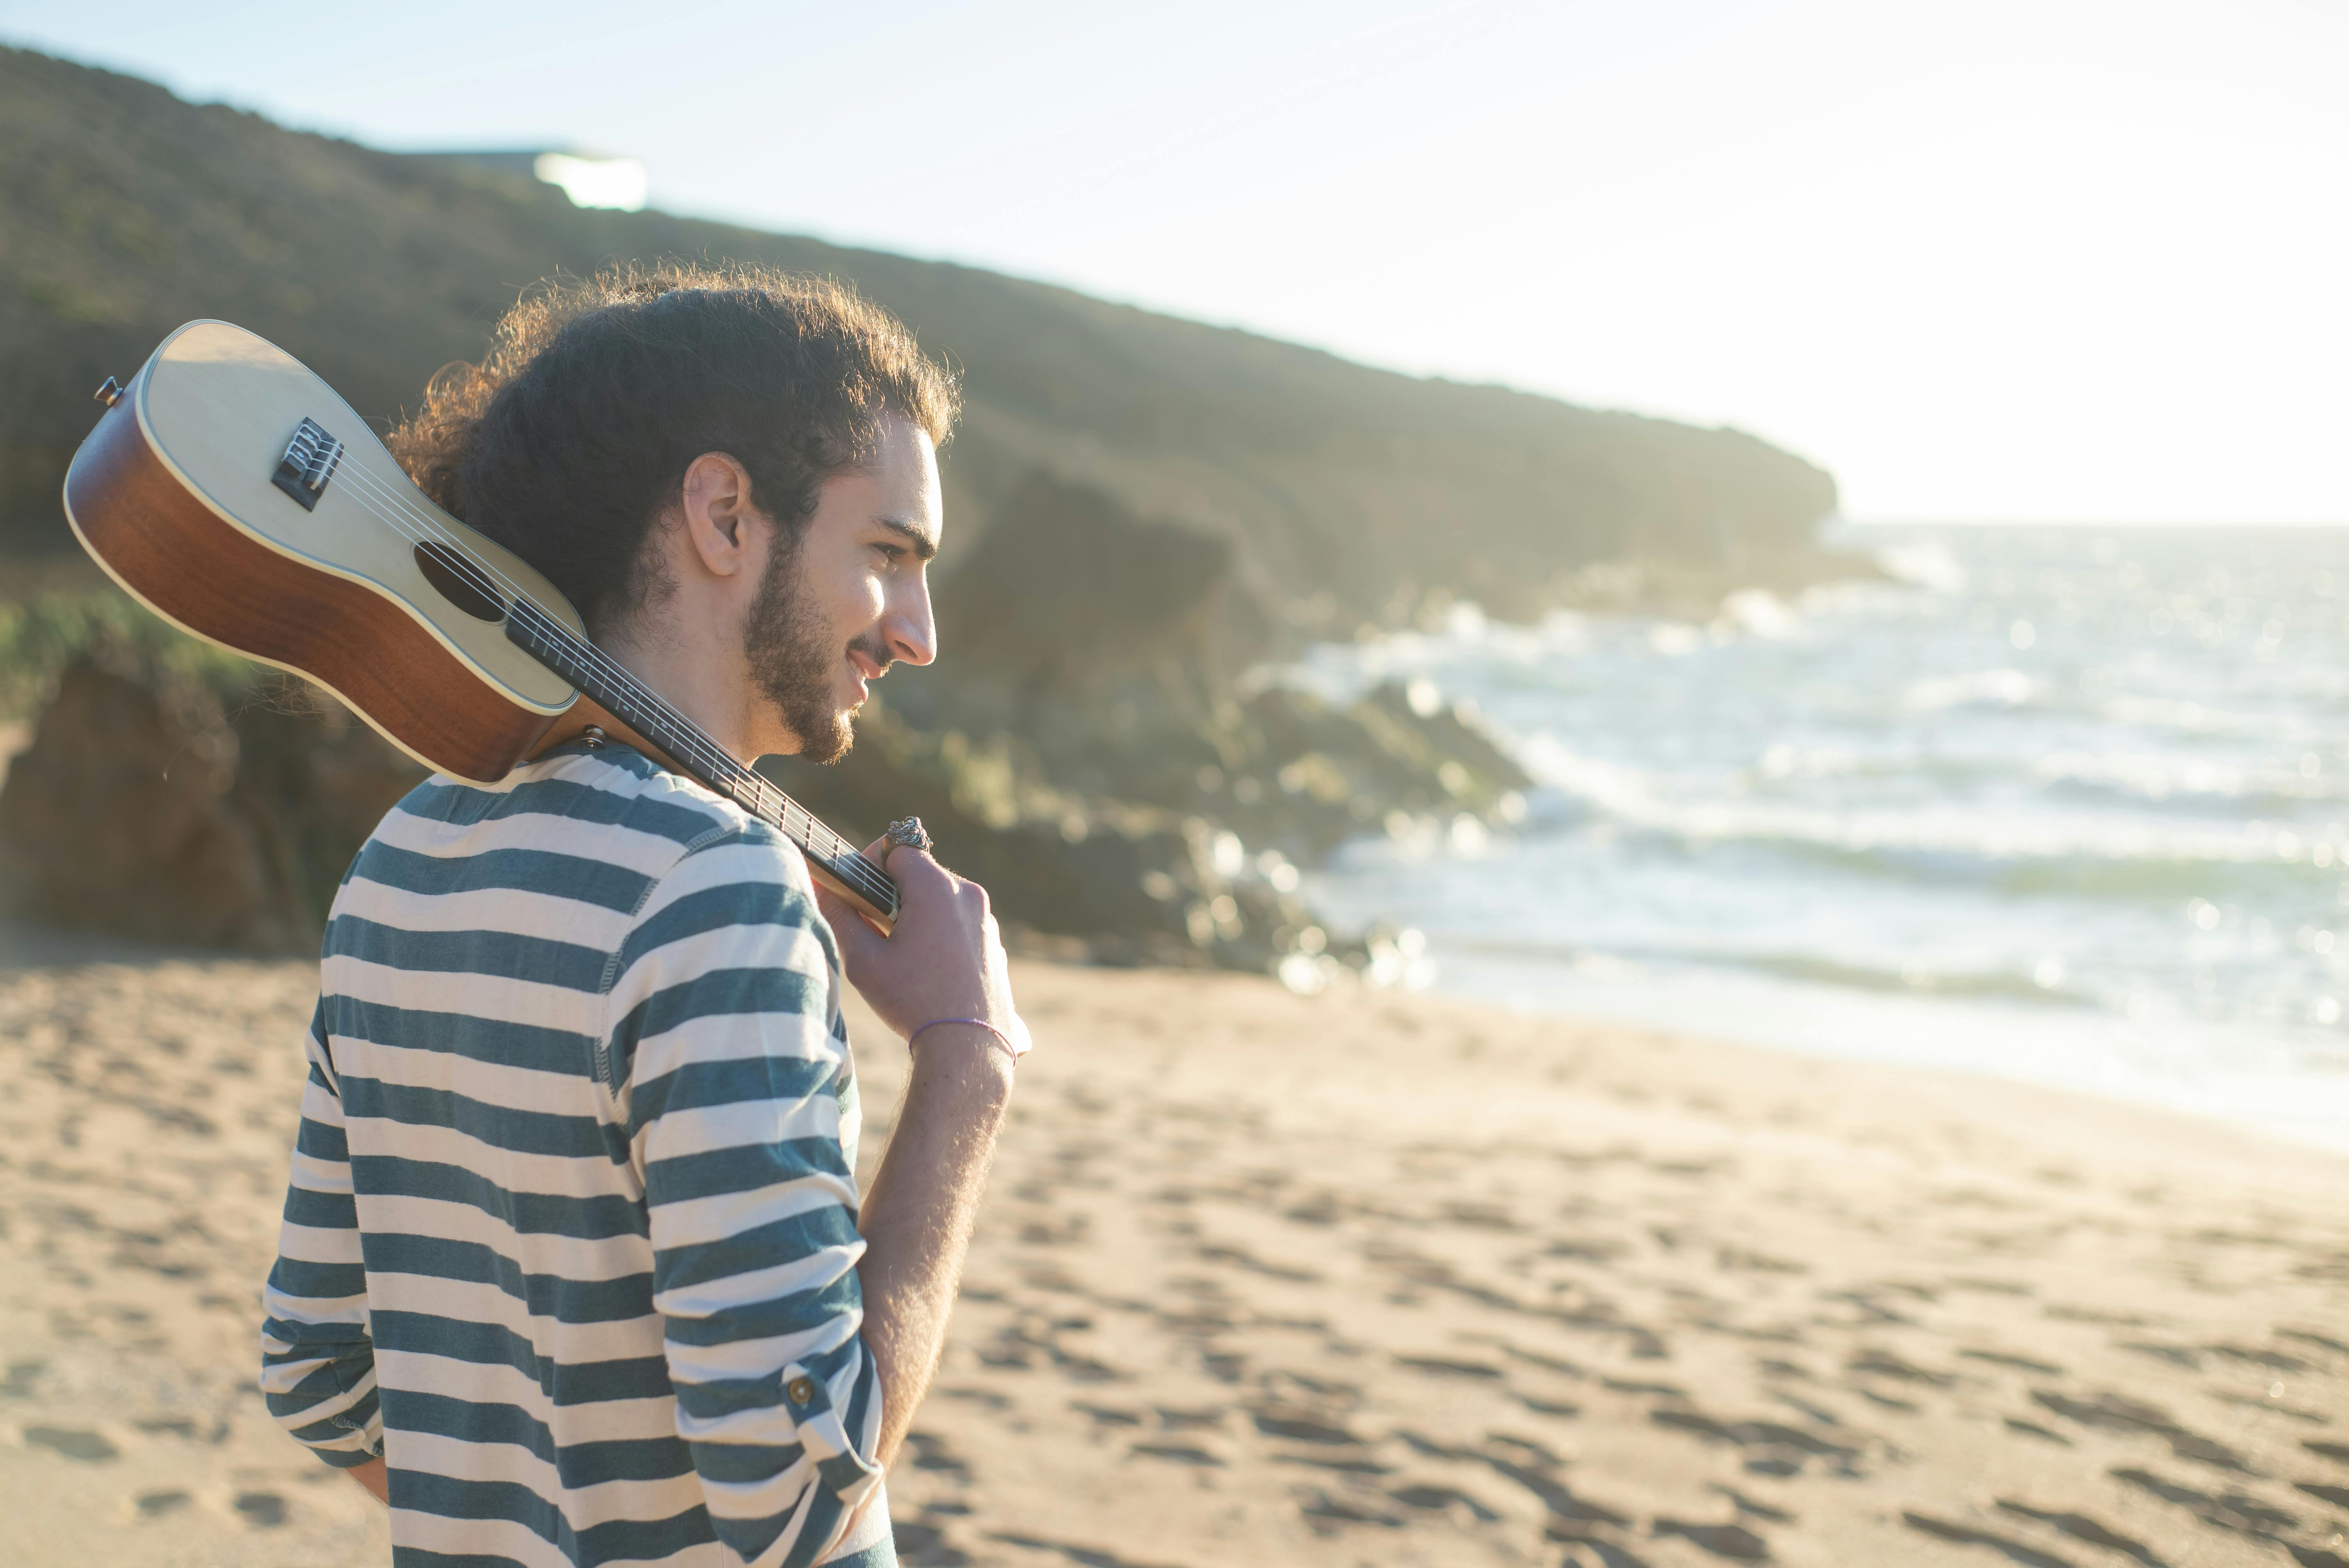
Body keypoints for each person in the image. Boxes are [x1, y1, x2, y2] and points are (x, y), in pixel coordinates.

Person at [257, 264, 1022, 1567]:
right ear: (725, 513)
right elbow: (796, 1501)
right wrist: (967, 1059)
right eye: (888, 554)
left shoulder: (400, 859)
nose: (921, 630)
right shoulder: (715, 889)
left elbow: (318, 1375)